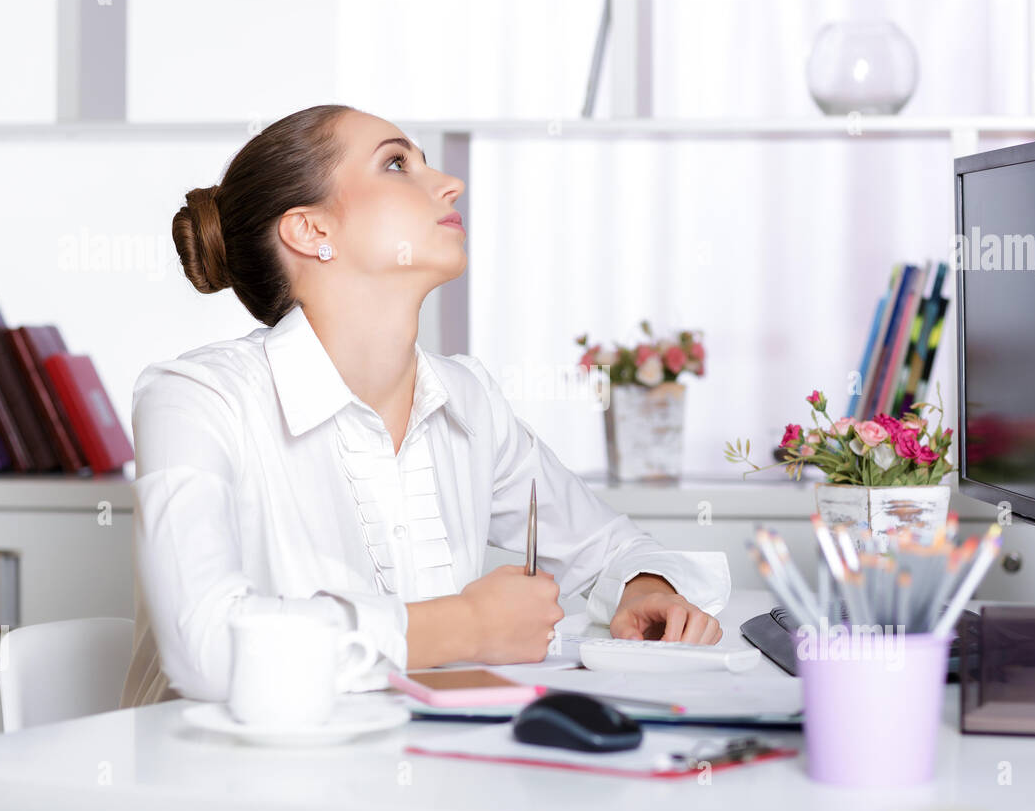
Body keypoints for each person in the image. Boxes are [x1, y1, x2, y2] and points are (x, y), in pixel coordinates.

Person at [120, 104, 731, 708]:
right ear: (312, 231)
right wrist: (465, 625)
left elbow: (610, 547)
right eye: (395, 164)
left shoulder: (468, 399)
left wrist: (647, 589)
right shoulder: (197, 399)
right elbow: (203, 648)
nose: (449, 183)